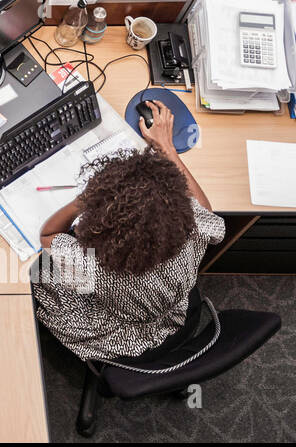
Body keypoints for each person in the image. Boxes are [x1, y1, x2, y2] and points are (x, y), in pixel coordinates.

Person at [32, 101, 225, 362]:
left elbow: (48, 235)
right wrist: (166, 148)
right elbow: (206, 209)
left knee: (39, 272)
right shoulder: (188, 226)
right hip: (176, 310)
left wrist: (87, 198)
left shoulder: (96, 267)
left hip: (126, 337)